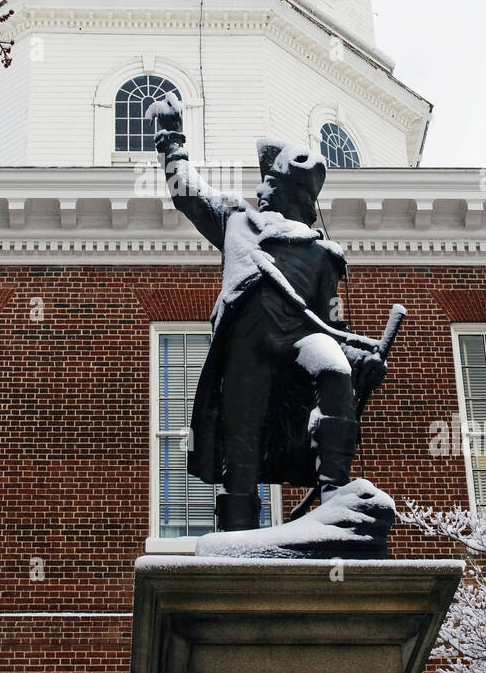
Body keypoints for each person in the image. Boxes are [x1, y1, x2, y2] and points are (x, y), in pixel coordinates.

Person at [148, 92, 387, 532]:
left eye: (270, 185)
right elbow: (189, 194)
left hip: (298, 342)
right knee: (241, 443)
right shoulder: (237, 221)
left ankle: (334, 491)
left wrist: (360, 359)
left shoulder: (321, 255)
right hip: (246, 351)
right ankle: (236, 538)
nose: (261, 191)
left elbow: (331, 326)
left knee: (333, 366)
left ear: (293, 195)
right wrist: (171, 141)